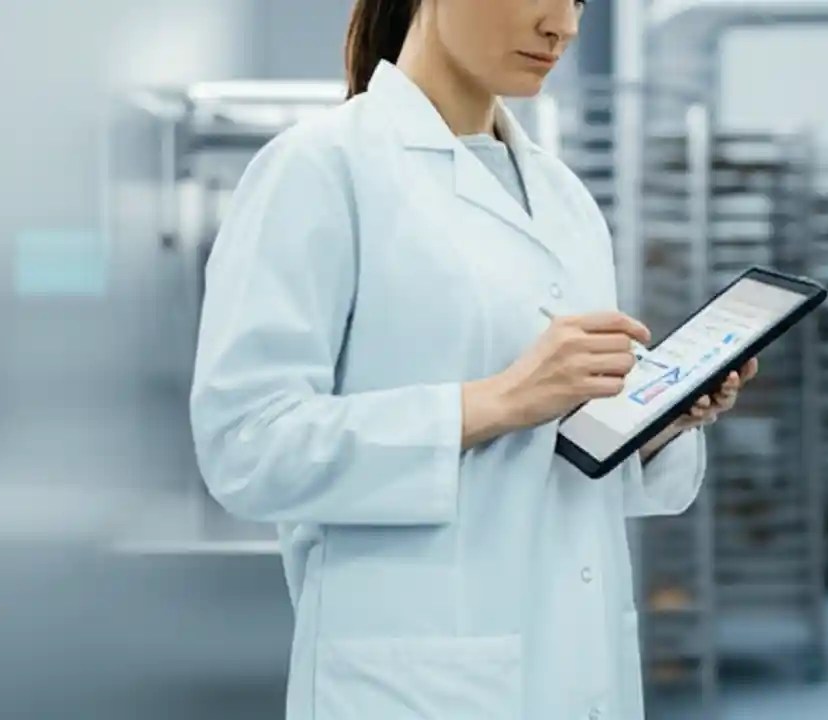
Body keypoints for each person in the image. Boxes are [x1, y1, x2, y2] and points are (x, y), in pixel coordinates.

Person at [189, 0, 759, 717]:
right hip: (414, 683)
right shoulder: (320, 168)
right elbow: (247, 445)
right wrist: (500, 401)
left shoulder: (564, 197)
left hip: (576, 664)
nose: (564, 25)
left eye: (579, 1)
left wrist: (655, 424)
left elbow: (549, 469)